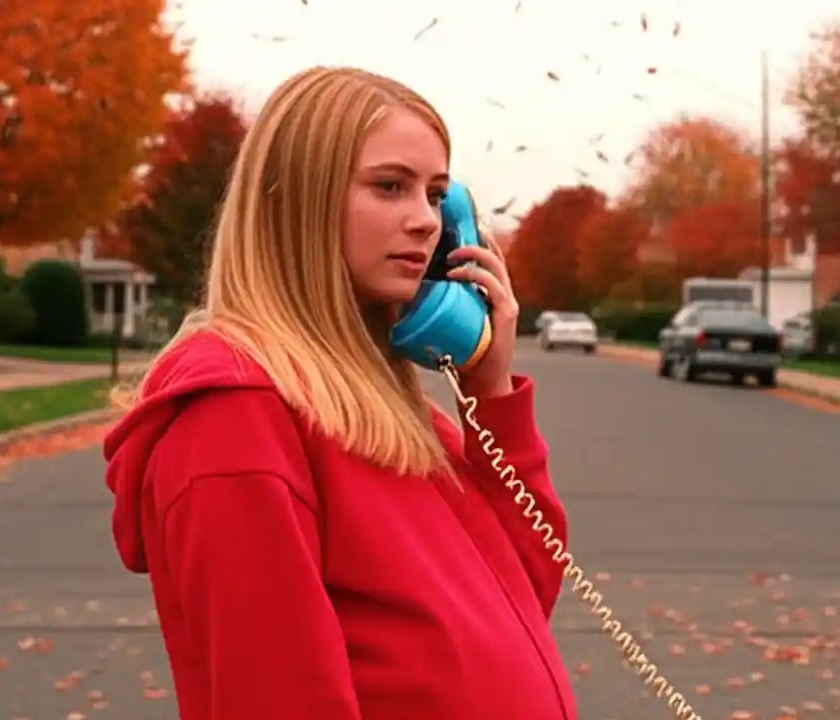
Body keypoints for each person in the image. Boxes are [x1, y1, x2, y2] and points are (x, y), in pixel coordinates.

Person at [102, 65, 577, 720]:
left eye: (437, 195)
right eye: (390, 187)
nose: (426, 222)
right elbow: (277, 699)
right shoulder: (236, 415)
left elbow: (525, 592)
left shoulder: (391, 409)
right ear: (297, 201)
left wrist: (490, 392)